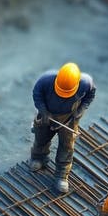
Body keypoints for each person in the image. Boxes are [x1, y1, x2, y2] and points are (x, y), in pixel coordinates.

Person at [29, 62, 96, 193]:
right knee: (41, 137)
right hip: (47, 113)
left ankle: (61, 174)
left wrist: (81, 109)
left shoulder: (86, 83)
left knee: (67, 145)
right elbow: (37, 94)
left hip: (70, 117)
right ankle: (38, 157)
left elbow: (90, 95)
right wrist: (42, 110)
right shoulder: (45, 80)